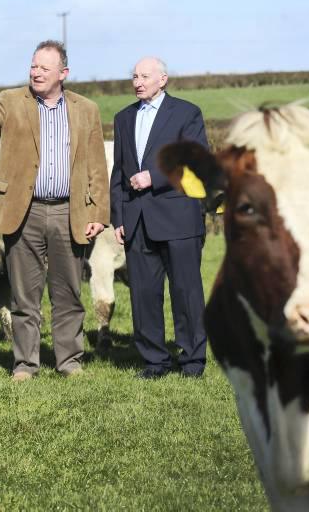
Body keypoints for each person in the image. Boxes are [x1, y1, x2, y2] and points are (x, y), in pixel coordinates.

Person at [0, 40, 109, 381]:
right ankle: (26, 363)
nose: (36, 72)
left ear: (63, 73)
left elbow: (98, 168)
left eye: (44, 67)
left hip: (68, 212)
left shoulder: (86, 109)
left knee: (68, 293)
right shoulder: (11, 101)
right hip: (22, 212)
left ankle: (69, 361)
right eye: (33, 66)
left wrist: (98, 213)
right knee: (25, 295)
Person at [110, 56, 208, 379]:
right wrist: (119, 216)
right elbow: (119, 173)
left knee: (186, 292)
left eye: (145, 76)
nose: (138, 82)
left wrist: (155, 177)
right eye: (134, 76)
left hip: (179, 217)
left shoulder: (187, 113)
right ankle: (154, 361)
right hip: (137, 221)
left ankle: (192, 360)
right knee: (143, 295)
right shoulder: (123, 118)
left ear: (162, 79)